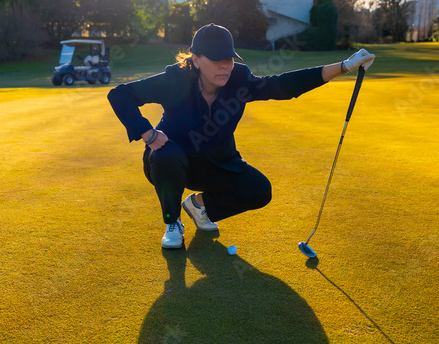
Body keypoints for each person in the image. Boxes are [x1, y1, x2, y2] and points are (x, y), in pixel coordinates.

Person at [107, 23, 375, 248]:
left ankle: (200, 206)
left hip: (216, 164)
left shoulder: (240, 80)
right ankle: (172, 222)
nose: (225, 66)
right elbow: (120, 94)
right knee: (166, 154)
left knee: (260, 191)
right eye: (216, 60)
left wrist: (345, 66)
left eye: (229, 59)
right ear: (196, 59)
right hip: (171, 163)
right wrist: (148, 133)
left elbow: (281, 85)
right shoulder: (175, 79)